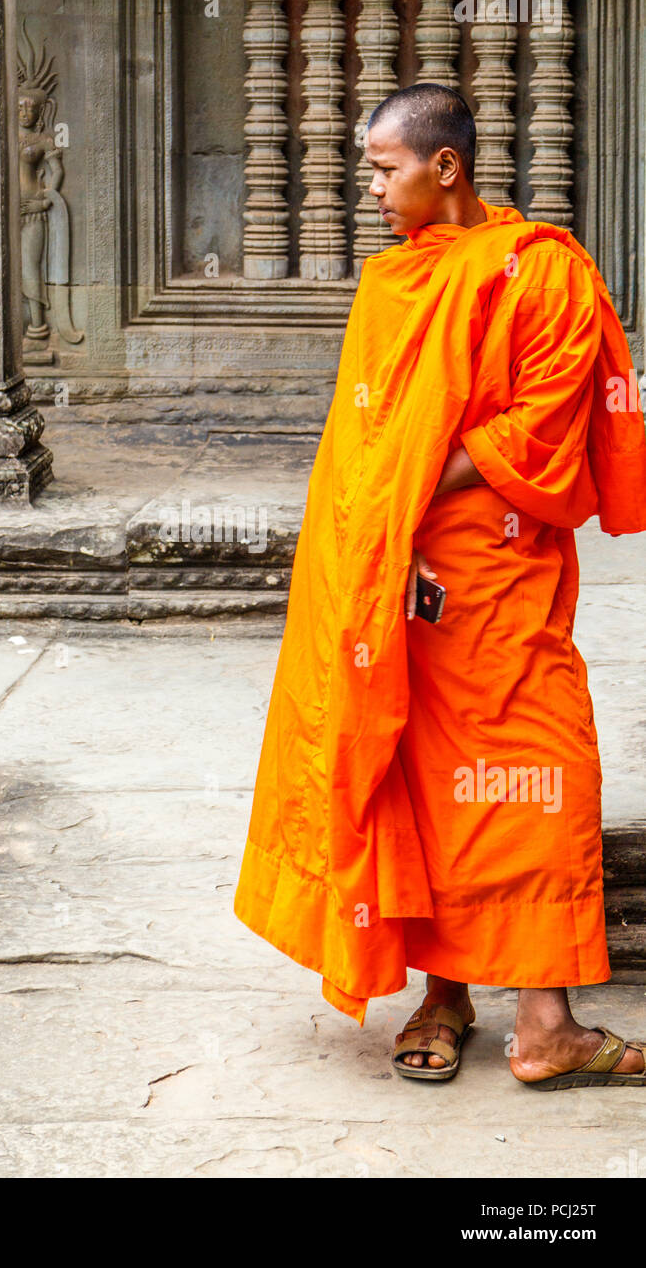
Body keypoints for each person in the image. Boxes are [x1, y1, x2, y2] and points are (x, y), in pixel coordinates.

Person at [233, 82, 646, 1088]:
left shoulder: (541, 271)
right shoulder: (389, 285)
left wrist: (417, 490)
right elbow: (366, 446)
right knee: (414, 778)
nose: (369, 188)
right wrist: (391, 535)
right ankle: (445, 990)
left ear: (444, 168)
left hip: (498, 570)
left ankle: (543, 1020)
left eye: (382, 168)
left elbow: (538, 427)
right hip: (398, 577)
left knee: (539, 772)